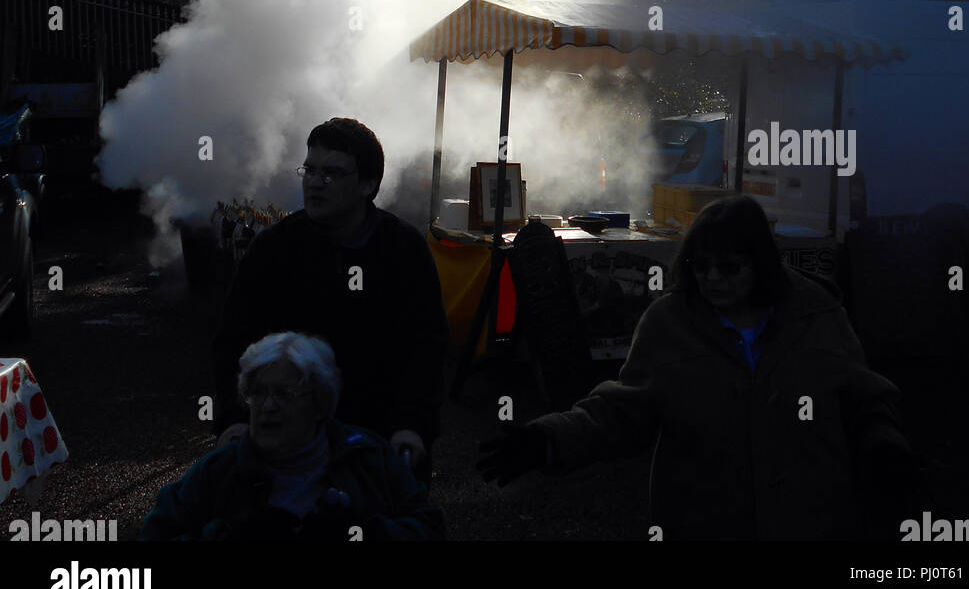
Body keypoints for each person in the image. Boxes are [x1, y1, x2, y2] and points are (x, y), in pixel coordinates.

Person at [478, 194, 926, 540]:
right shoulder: (669, 323)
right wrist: (547, 440)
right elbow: (621, 412)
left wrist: (885, 448)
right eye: (701, 266)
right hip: (701, 525)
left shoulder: (818, 315)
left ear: (762, 265)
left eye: (729, 267)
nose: (712, 278)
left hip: (813, 523)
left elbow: (865, 396)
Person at [213, 118, 448, 476]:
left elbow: (427, 345)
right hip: (288, 439)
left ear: (368, 184)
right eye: (309, 170)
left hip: (380, 435)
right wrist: (233, 418)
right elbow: (234, 339)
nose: (314, 183)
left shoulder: (402, 249)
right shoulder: (275, 249)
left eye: (332, 173)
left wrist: (414, 426)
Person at [141, 333, 444, 540]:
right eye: (258, 393)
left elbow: (430, 528)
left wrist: (363, 530)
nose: (267, 406)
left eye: (284, 394)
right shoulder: (219, 470)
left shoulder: (368, 456)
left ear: (319, 404)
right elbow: (156, 535)